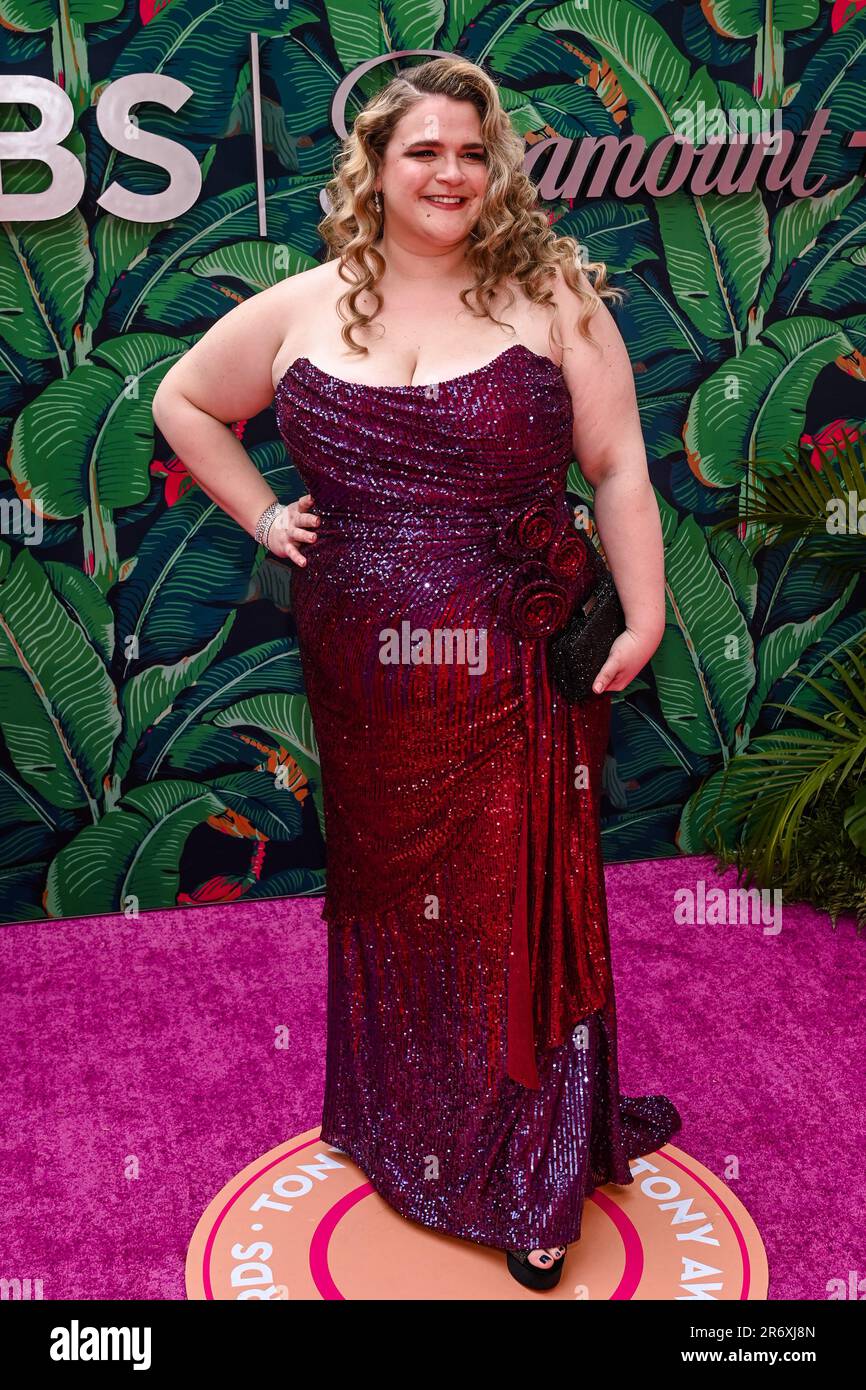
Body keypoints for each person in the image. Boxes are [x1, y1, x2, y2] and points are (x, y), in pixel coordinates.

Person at [152, 54, 681, 1293]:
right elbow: (181, 399)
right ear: (375, 168)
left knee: (514, 903)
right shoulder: (301, 305)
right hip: (362, 672)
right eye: (424, 150)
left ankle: (532, 1172)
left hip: (511, 661)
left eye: (471, 151)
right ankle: (409, 1128)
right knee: (394, 901)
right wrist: (262, 518)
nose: (450, 171)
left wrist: (645, 615)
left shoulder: (554, 296)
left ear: (494, 173)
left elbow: (616, 471)